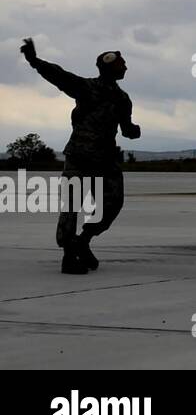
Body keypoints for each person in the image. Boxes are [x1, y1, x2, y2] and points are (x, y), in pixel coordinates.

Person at [19, 38, 140, 274]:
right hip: (80, 157)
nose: (125, 67)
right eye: (121, 64)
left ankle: (82, 241)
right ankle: (68, 257)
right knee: (71, 206)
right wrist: (34, 61)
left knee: (112, 203)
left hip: (105, 160)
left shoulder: (122, 98)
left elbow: (126, 129)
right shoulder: (87, 88)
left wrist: (133, 131)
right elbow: (60, 76)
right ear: (109, 67)